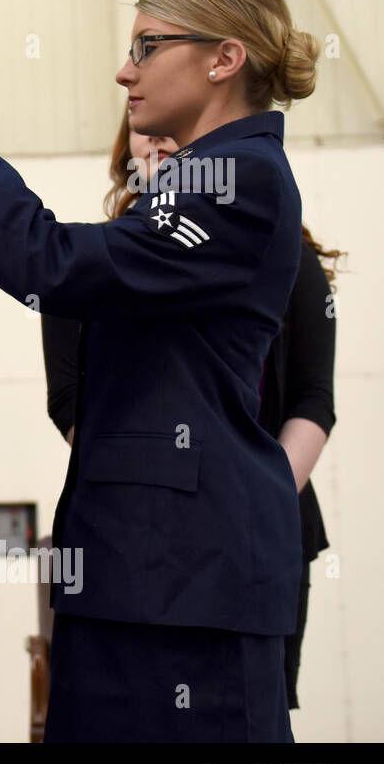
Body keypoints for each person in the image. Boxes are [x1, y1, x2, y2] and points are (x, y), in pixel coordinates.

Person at [0, 0, 319, 741]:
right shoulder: (191, 178)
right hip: (133, 568)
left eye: (147, 46)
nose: (125, 68)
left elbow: (57, 265)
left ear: (224, 58)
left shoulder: (240, 175)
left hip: (188, 579)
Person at [40, 115, 341, 711]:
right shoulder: (86, 258)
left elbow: (314, 398)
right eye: (141, 132)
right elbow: (69, 400)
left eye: (172, 133)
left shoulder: (287, 256)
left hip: (259, 523)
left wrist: (255, 491)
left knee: (247, 716)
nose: (155, 140)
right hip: (132, 526)